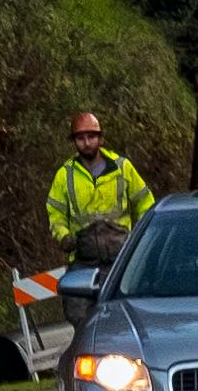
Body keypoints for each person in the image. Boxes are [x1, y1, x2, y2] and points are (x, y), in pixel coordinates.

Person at [46, 112, 156, 272]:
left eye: (91, 137)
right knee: (74, 297)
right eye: (80, 138)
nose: (87, 143)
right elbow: (55, 214)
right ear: (74, 142)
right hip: (83, 259)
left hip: (122, 257)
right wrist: (64, 237)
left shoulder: (122, 168)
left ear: (101, 139)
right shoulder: (65, 174)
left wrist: (140, 239)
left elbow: (145, 204)